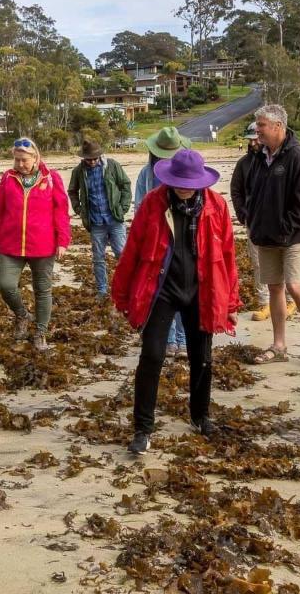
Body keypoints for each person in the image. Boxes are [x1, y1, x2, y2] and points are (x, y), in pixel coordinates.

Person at [113, 148, 240, 454]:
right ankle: (143, 428)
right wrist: (121, 295)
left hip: (202, 289)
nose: (184, 187)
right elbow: (132, 251)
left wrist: (231, 303)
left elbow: (227, 256)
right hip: (162, 290)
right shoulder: (152, 203)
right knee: (152, 356)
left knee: (202, 357)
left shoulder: (216, 206)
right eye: (179, 182)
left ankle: (200, 416)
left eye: (190, 183)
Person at [241, 104, 300, 364]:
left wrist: (285, 228)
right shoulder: (259, 157)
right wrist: (251, 221)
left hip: (293, 237)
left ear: (278, 126)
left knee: (295, 287)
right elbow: (247, 192)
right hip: (265, 236)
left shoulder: (299, 157)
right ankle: (279, 346)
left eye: (261, 125)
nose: (257, 130)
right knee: (274, 287)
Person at [0, 137, 70, 351]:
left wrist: (63, 240)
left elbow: (61, 211)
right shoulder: (7, 178)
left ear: (35, 157)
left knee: (42, 290)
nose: (20, 164)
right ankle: (22, 315)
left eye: (24, 160)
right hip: (10, 245)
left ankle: (40, 333)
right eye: (17, 160)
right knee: (6, 285)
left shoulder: (52, 178)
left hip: (43, 246)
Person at [134, 126, 192, 356]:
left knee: (183, 291)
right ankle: (169, 339)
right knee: (160, 292)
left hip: (184, 241)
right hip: (157, 243)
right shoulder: (146, 174)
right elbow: (139, 208)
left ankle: (183, 339)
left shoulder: (186, 172)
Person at [230, 121, 296, 321]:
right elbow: (236, 191)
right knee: (258, 263)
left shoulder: (280, 160)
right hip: (254, 224)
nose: (253, 143)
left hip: (281, 224)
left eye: (255, 139)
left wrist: (289, 220)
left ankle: (290, 301)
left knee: (285, 262)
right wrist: (244, 215)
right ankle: (264, 303)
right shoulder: (244, 163)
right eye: (250, 140)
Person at [68, 139, 132, 297]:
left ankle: (127, 287)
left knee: (122, 254)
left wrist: (123, 207)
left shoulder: (112, 166)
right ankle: (102, 290)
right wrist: (79, 209)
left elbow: (125, 185)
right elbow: (72, 191)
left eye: (94, 158)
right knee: (98, 258)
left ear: (100, 156)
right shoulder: (78, 171)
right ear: (84, 158)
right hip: (95, 222)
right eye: (88, 159)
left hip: (115, 219)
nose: (92, 162)